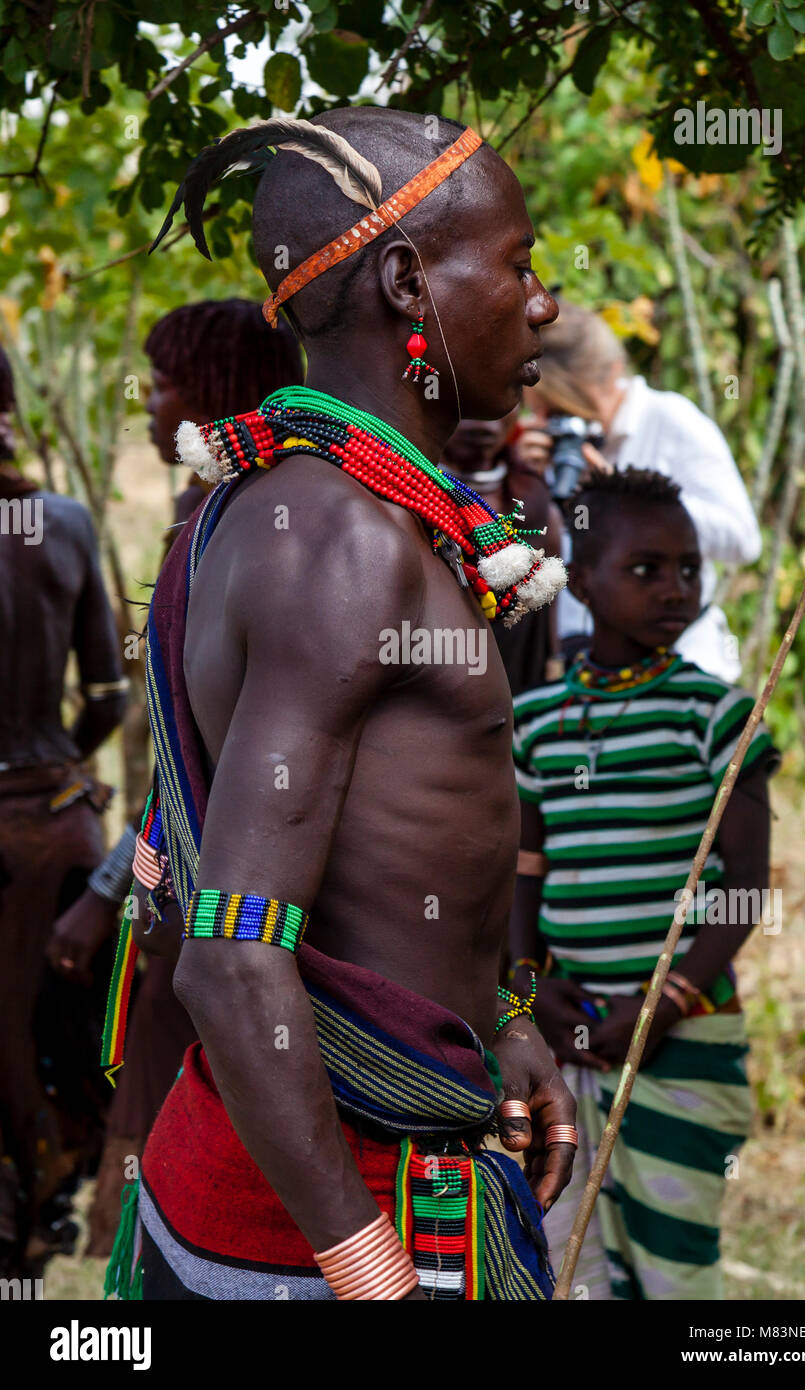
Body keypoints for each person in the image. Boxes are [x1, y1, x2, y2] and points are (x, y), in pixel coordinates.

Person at [107, 109, 577, 1302]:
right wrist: (372, 1274)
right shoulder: (341, 540)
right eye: (518, 262)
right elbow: (228, 957)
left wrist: (507, 1021)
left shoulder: (336, 509)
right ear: (408, 279)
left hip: (323, 1197)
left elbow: (414, 854)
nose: (544, 304)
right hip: (307, 1240)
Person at [48, 300, 304, 1257]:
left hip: (213, 901)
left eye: (164, 386)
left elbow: (202, 756)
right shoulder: (234, 514)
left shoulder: (226, 527)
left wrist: (124, 886)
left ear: (213, 396)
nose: (151, 407)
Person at [509, 467, 779, 1300]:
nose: (676, 589)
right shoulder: (537, 720)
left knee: (672, 1260)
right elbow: (524, 875)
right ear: (582, 583)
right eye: (645, 569)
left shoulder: (717, 715)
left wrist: (669, 1004)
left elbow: (745, 886)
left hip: (683, 1038)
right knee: (571, 1257)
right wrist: (528, 991)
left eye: (689, 569)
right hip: (573, 1030)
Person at [0, 346, 126, 1276]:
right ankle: (43, 1214)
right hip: (59, 825)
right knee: (49, 1045)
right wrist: (61, 771)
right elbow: (112, 698)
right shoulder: (66, 523)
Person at [518, 302, 761, 682]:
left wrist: (628, 497)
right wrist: (525, 484)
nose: (559, 424)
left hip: (680, 663)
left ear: (608, 377)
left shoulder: (669, 420)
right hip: (582, 671)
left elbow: (743, 541)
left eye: (565, 410)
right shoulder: (545, 449)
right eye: (546, 414)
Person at [440, 413, 563, 695]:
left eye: (493, 409)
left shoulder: (535, 499)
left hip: (523, 694)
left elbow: (549, 621)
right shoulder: (407, 491)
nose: (482, 420)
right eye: (467, 406)